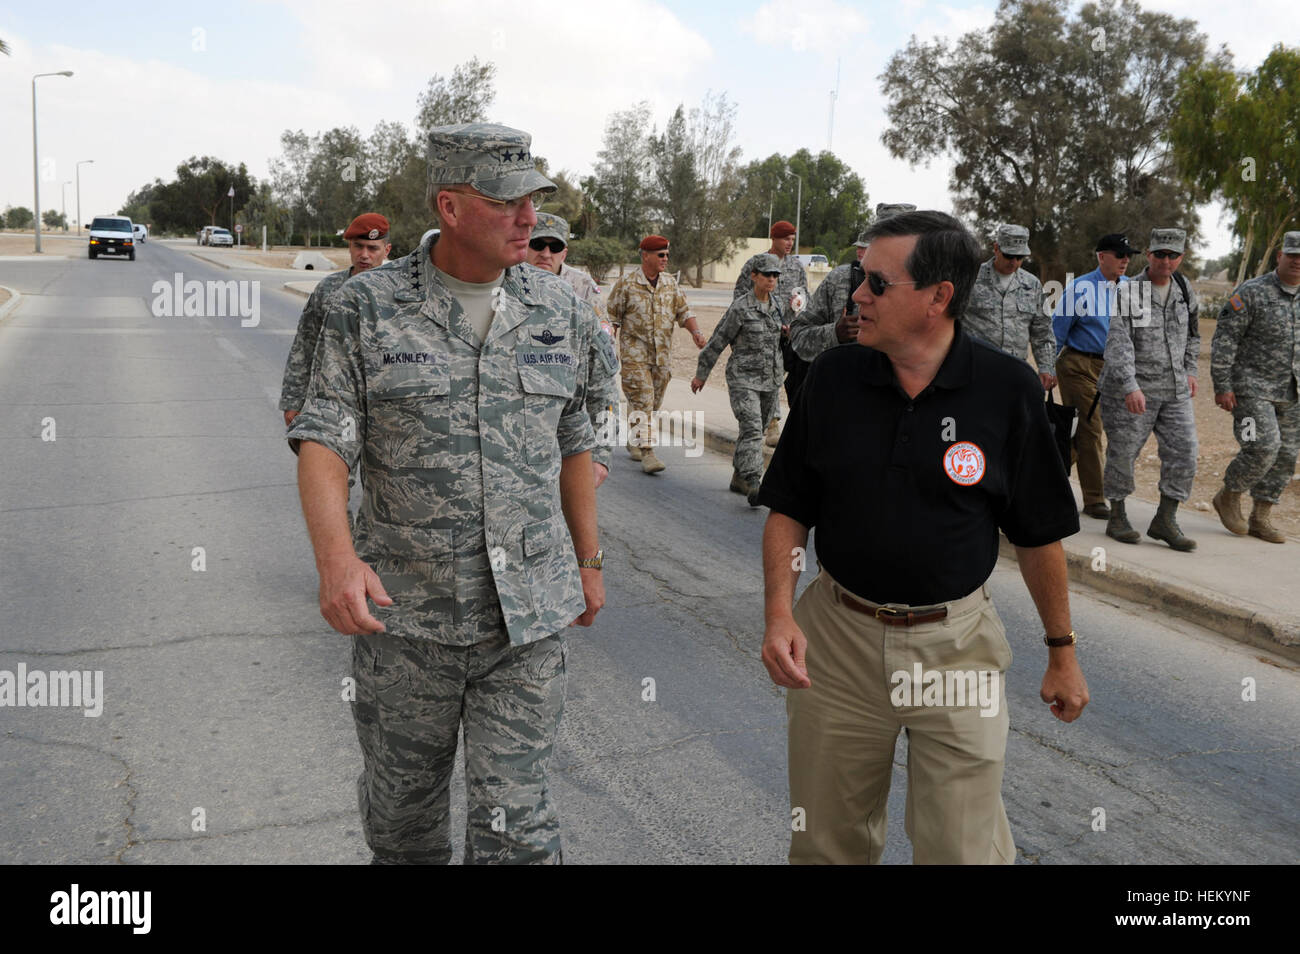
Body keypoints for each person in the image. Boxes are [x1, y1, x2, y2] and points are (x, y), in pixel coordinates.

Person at [286, 123, 610, 864]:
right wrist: (337, 561)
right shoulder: (364, 307)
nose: (529, 219)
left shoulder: (559, 312)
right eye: (506, 203)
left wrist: (589, 559)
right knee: (405, 830)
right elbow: (324, 440)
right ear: (451, 206)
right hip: (406, 623)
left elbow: (575, 440)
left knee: (515, 832)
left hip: (524, 624)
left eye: (533, 200)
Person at [758, 210, 1089, 865]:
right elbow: (790, 507)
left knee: (962, 850)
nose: (857, 295)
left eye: (877, 284)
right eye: (859, 278)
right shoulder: (834, 378)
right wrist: (777, 613)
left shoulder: (1007, 390)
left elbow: (1039, 533)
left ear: (938, 297)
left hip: (958, 649)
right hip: (837, 643)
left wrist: (1062, 650)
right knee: (827, 845)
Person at [1098, 228, 1200, 550]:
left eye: (1173, 255)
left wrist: (1191, 370)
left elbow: (1194, 334)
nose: (1166, 261)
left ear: (1181, 257)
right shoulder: (1131, 292)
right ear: (1149, 253)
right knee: (1123, 453)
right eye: (1160, 255)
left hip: (1174, 391)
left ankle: (1165, 519)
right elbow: (1118, 342)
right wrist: (1130, 386)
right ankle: (1117, 515)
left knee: (1185, 452)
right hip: (1133, 392)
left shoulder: (1184, 289)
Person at [1210, 231, 1300, 544]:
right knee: (1263, 445)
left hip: (1293, 391)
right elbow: (1225, 339)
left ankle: (1261, 517)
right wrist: (1222, 384)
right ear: (1280, 257)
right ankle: (1229, 494)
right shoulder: (1251, 292)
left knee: (1287, 455)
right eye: (1292, 256)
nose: (1297, 262)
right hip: (1251, 388)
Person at [526, 211, 620, 489]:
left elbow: (602, 373)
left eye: (554, 247)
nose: (545, 253)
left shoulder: (583, 289)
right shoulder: (501, 283)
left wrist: (602, 454)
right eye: (537, 245)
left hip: (567, 414)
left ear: (564, 252)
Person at [1052, 233, 1138, 519]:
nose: (1125, 259)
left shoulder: (1133, 289)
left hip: (1116, 369)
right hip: (1079, 366)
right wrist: (1046, 368)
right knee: (1091, 429)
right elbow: (1056, 332)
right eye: (1119, 254)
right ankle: (1094, 499)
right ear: (1102, 256)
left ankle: (1046, 471)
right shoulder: (1079, 289)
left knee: (1087, 435)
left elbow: (1139, 334)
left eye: (1128, 255)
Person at [605, 235, 705, 474]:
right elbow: (612, 318)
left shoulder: (670, 283)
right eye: (661, 255)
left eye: (667, 255)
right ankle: (648, 452)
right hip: (634, 354)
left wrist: (696, 332)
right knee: (644, 398)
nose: (665, 259)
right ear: (645, 255)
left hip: (662, 357)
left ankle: (636, 436)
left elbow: (683, 311)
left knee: (653, 404)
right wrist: (610, 345)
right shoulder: (626, 284)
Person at [280, 212, 392, 426]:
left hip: (382, 407)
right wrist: (293, 400)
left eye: (373, 248)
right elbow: (304, 345)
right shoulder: (327, 289)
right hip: (332, 403)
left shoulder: (398, 294)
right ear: (350, 247)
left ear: (386, 250)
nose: (364, 255)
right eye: (359, 246)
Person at [692, 252, 784, 506]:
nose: (771, 280)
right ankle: (754, 482)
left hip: (770, 381)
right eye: (767, 274)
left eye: (775, 275)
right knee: (753, 429)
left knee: (756, 429)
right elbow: (718, 340)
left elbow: (781, 344)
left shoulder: (779, 308)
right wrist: (702, 374)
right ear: (754, 276)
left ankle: (739, 477)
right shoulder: (741, 308)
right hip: (743, 379)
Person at [788, 203, 916, 366]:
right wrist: (834, 333)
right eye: (883, 236)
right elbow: (799, 334)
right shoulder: (841, 279)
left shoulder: (929, 287)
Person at [733, 221, 807, 443]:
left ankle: (771, 421)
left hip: (788, 331)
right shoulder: (755, 264)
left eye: (792, 239)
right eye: (786, 239)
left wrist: (799, 302)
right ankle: (772, 424)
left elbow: (805, 294)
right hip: (762, 329)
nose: (789, 243)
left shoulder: (796, 266)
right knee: (771, 374)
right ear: (774, 238)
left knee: (783, 374)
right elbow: (739, 294)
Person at [964, 224, 1055, 390]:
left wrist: (1046, 366)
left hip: (1015, 372)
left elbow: (1043, 332)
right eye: (1009, 255)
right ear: (996, 248)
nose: (1014, 262)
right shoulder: (970, 278)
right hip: (975, 371)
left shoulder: (1032, 284)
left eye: (1020, 257)